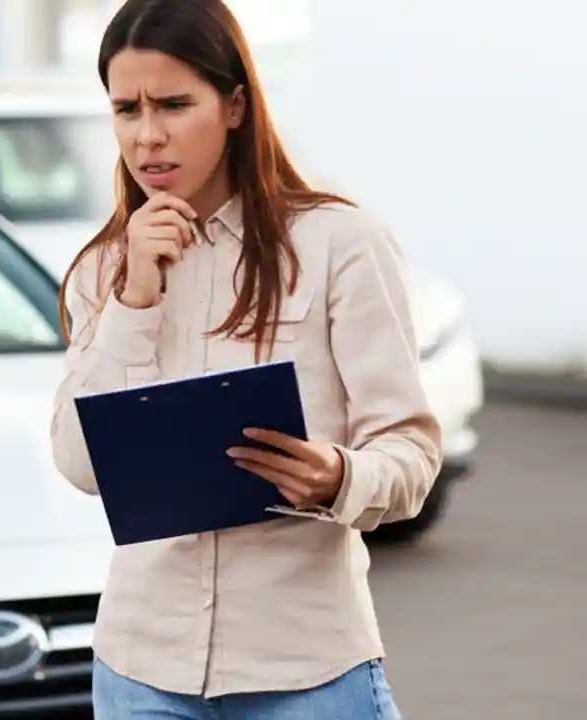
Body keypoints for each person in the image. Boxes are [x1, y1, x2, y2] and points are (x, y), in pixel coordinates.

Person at [49, 1, 441, 718]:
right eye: (126, 109)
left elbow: (412, 452)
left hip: (308, 671)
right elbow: (80, 464)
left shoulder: (337, 244)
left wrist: (338, 477)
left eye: (173, 104)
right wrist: (135, 299)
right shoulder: (104, 268)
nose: (148, 135)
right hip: (141, 672)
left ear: (234, 105)